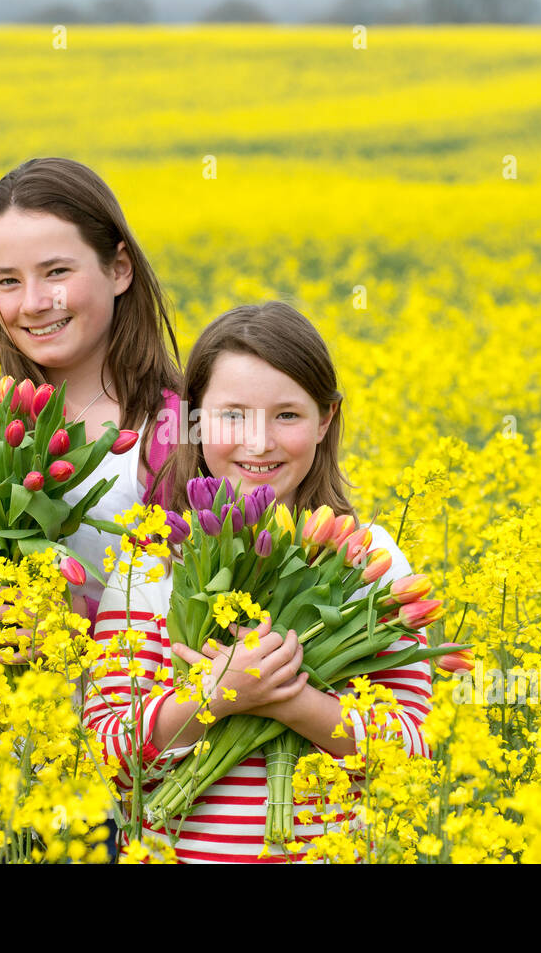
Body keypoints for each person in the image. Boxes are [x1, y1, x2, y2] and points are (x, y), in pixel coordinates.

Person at [86, 300, 435, 863]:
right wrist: (213, 696)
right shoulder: (151, 567)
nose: (259, 442)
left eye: (287, 415)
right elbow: (107, 752)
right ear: (193, 420)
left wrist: (294, 702)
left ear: (327, 419)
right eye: (232, 415)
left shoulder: (369, 560)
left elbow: (412, 752)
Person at [0, 157, 183, 650]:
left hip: (122, 722)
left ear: (120, 269)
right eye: (8, 281)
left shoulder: (175, 433)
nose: (34, 302)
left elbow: (200, 622)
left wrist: (67, 634)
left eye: (57, 271)